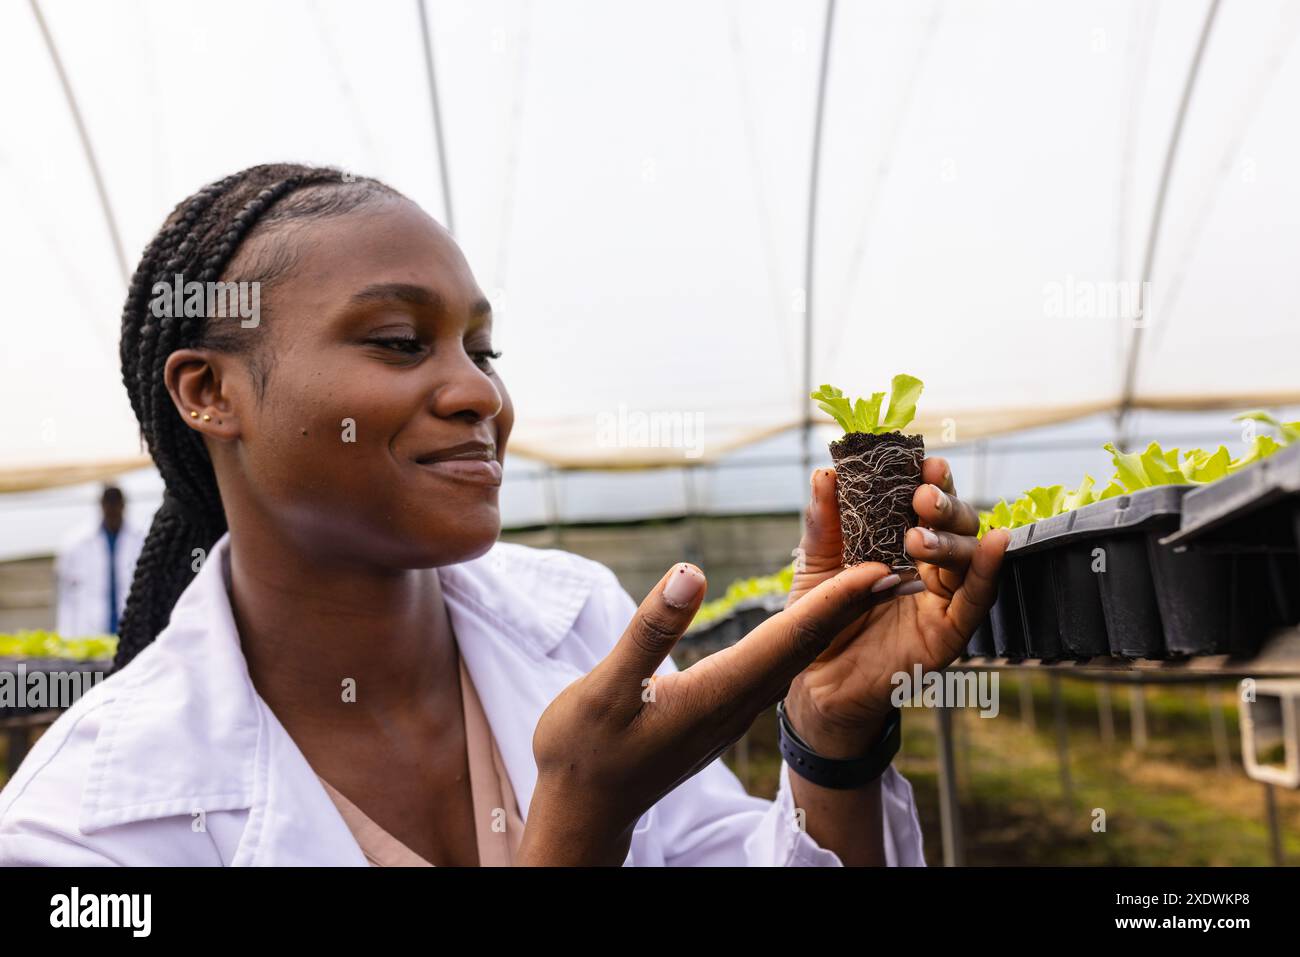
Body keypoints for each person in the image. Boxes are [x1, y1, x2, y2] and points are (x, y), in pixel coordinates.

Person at [0, 164, 1008, 866]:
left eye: (483, 352)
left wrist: (828, 733)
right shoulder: (82, 829)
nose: (478, 393)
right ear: (208, 393)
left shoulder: (575, 620)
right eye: (399, 341)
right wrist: (580, 824)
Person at [53, 485, 145, 638]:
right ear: (101, 505)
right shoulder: (75, 543)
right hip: (88, 632)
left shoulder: (142, 539)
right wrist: (65, 635)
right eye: (108, 503)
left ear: (123, 505)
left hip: (133, 630)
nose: (112, 508)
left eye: (116, 503)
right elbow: (65, 596)